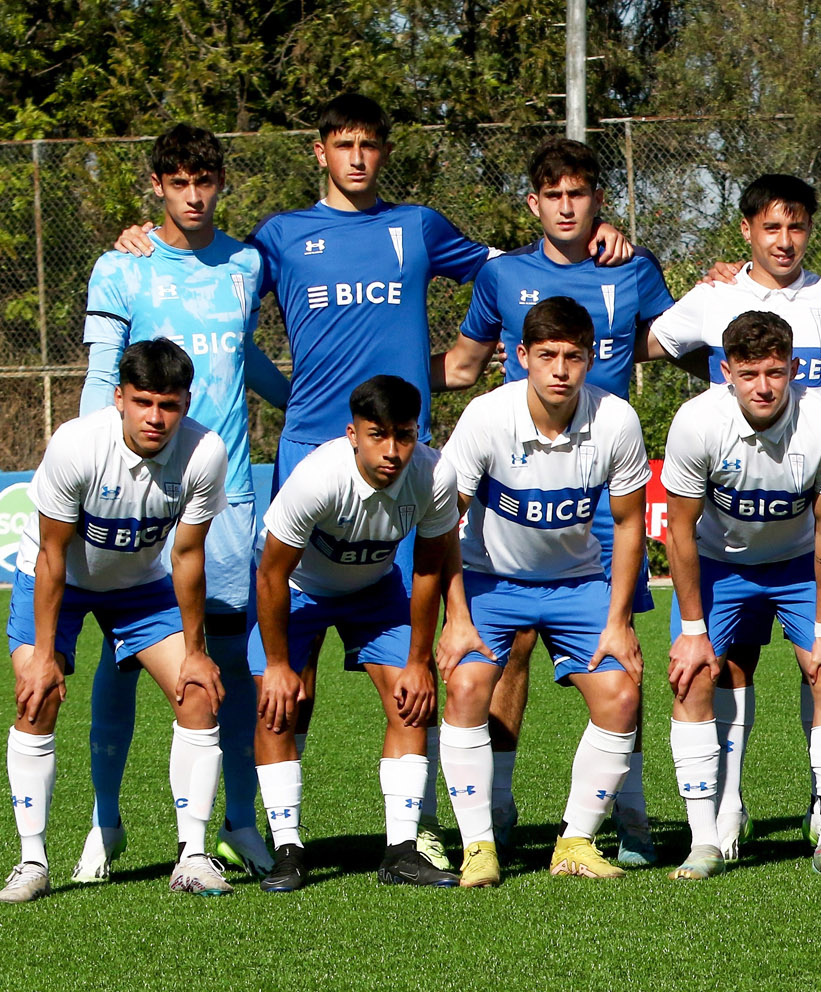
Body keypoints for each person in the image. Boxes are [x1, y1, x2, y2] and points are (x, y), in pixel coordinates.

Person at [112, 93, 636, 871]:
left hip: (403, 459)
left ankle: (414, 826)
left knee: (413, 655)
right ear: (319, 152)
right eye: (342, 144)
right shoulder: (280, 240)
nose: (356, 157)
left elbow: (514, 269)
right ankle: (262, 829)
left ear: (383, 153)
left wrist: (592, 240)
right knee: (292, 670)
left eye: (369, 144)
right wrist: (147, 243)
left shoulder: (418, 227)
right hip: (310, 456)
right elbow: (210, 276)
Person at [646, 174, 821, 863]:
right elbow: (645, 342)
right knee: (714, 669)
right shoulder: (714, 298)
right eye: (770, 228)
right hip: (726, 533)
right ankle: (722, 811)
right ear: (746, 232)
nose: (784, 241)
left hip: (801, 527)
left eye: (796, 228)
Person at [433, 136, 674, 866]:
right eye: (555, 195)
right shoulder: (501, 275)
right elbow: (466, 363)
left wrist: (731, 288)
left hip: (599, 494)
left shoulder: (632, 265)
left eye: (581, 193)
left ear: (599, 200)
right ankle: (493, 820)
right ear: (535, 203)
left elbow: (674, 339)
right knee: (499, 667)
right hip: (516, 493)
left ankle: (617, 822)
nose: (569, 207)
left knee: (620, 669)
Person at [77, 124, 289, 883]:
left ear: (220, 182)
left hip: (225, 495)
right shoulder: (120, 265)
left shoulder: (245, 264)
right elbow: (104, 377)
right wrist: (91, 474)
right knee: (125, 654)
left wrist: (301, 403)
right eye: (179, 183)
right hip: (137, 499)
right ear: (158, 187)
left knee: (224, 657)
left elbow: (242, 353)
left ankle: (233, 823)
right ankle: (106, 821)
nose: (194, 196)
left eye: (206, 180)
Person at [3, 339, 232, 902]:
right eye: (143, 402)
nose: (156, 417)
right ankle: (32, 861)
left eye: (170, 404)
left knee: (197, 691)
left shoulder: (204, 453)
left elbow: (187, 556)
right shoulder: (77, 446)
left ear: (185, 402)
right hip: (61, 583)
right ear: (119, 399)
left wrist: (198, 650)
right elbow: (52, 557)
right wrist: (43, 657)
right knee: (39, 699)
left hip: (139, 588)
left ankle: (195, 857)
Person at [435, 297, 651, 886]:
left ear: (591, 359)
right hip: (490, 580)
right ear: (521, 357)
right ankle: (479, 846)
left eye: (573, 357)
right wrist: (456, 616)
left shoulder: (616, 420)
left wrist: (619, 621)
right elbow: (440, 521)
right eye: (548, 356)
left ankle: (575, 842)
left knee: (621, 694)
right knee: (466, 684)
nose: (560, 369)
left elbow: (630, 524)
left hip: (577, 583)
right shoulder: (486, 417)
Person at [660, 311, 821, 879]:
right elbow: (678, 531)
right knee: (693, 674)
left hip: (799, 565)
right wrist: (694, 633)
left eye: (776, 372)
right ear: (725, 372)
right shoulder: (697, 423)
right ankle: (704, 840)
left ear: (795, 369)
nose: (764, 387)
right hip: (719, 565)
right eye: (749, 374)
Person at [247, 376, 462, 890]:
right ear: (353, 434)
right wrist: (278, 666)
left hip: (375, 590)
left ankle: (401, 851)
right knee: (279, 705)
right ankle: (288, 850)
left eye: (404, 436)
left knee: (412, 700)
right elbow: (272, 573)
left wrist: (417, 662)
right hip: (299, 590)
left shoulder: (434, 476)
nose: (392, 451)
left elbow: (430, 570)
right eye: (378, 435)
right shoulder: (319, 478)